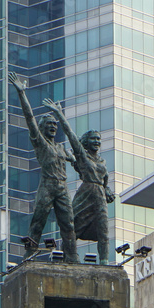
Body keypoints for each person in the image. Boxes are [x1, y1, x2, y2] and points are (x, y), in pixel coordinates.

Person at [8, 72, 79, 263]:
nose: (53, 127)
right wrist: (22, 93)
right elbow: (30, 118)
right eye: (49, 124)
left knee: (68, 223)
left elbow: (77, 160)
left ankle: (72, 256)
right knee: (38, 221)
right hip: (47, 185)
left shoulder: (62, 148)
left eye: (55, 125)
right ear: (42, 128)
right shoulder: (40, 142)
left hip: (62, 186)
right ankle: (30, 253)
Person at [45, 100, 113, 264]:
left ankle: (104, 262)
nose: (97, 141)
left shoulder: (102, 161)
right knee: (72, 226)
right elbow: (71, 135)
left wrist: (107, 189)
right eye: (94, 139)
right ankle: (66, 257)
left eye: (99, 139)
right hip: (86, 193)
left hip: (100, 196)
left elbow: (104, 180)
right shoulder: (82, 156)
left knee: (104, 230)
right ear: (87, 142)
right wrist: (60, 114)